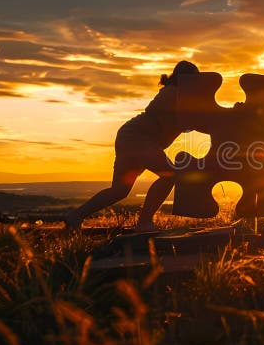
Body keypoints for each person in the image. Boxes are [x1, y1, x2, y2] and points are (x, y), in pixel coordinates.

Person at [63, 60, 199, 230]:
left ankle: (76, 216)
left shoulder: (176, 95)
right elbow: (193, 120)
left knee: (119, 190)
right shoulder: (174, 94)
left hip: (130, 137)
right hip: (138, 138)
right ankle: (144, 222)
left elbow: (190, 122)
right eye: (195, 79)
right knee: (170, 175)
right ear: (185, 79)